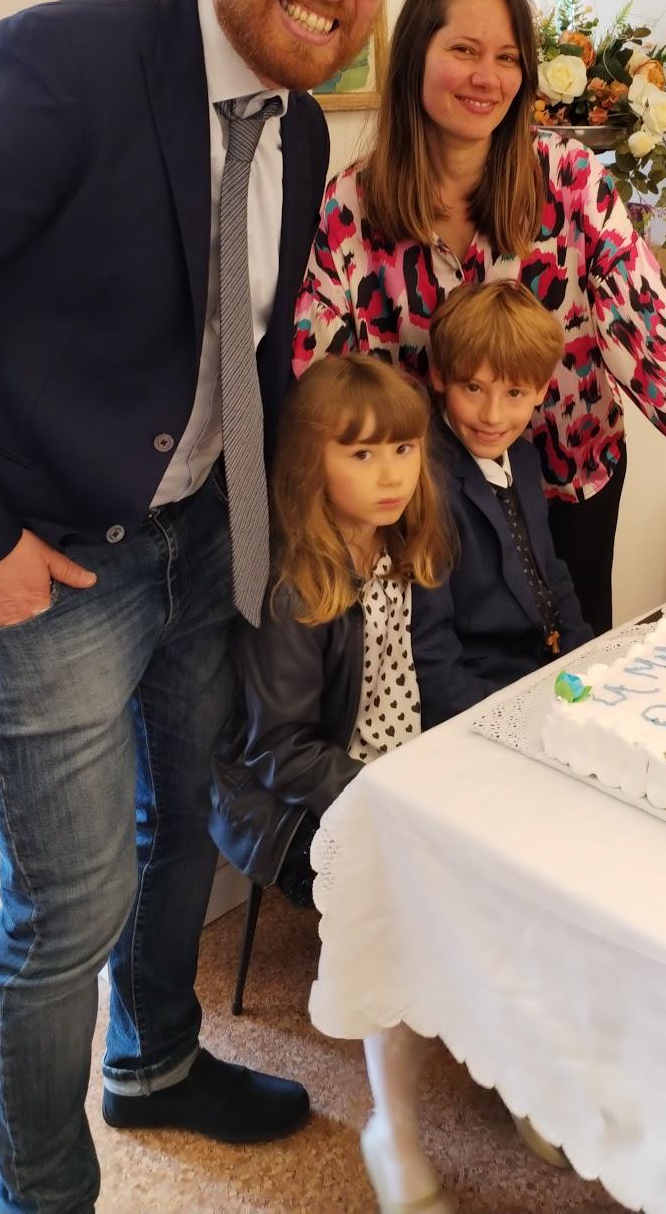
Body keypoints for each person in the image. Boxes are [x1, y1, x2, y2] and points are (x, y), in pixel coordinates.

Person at [0, 0, 414, 1214]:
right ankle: (43, 1194)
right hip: (40, 565)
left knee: (188, 831)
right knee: (67, 907)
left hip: (199, 543)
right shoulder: (55, 75)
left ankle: (157, 1062)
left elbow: (246, 344)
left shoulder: (295, 123)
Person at [293, 0, 666, 636]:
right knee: (449, 697)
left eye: (508, 58)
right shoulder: (352, 205)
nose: (486, 78)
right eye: (464, 49)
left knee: (575, 678)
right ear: (414, 58)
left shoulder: (568, 179)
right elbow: (319, 381)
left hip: (569, 487)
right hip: (426, 505)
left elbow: (658, 335)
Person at [208, 355, 455, 1214]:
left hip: (398, 772)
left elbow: (432, 675)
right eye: (361, 454)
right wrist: (392, 804)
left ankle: (529, 1078)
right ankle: (393, 1130)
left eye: (404, 450)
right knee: (408, 900)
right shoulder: (297, 583)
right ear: (311, 463)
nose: (390, 474)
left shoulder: (402, 545)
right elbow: (280, 751)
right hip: (295, 804)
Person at [412, 280, 591, 722]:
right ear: (439, 375)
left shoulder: (526, 461)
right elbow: (429, 651)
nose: (492, 416)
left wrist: (589, 664)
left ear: (541, 389)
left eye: (513, 394)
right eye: (473, 388)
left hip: (546, 683)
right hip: (480, 701)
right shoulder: (425, 483)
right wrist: (505, 720)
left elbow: (551, 576)